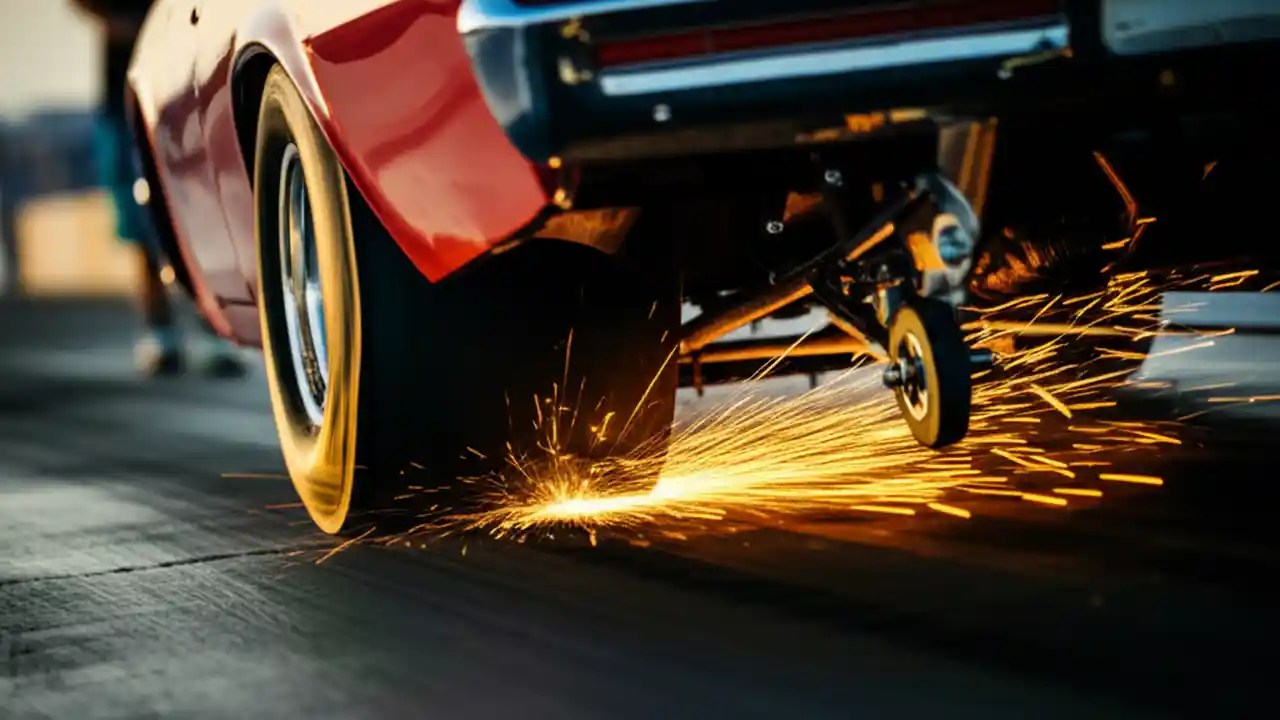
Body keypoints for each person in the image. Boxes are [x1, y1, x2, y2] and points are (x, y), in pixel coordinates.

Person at [71, 0, 245, 377]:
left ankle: (215, 329)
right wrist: (124, 24)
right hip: (125, 94)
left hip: (181, 85)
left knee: (200, 210)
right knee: (141, 217)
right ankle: (160, 331)